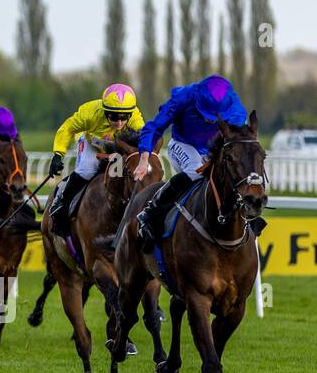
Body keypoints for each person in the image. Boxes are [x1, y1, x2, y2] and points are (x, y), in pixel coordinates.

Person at [133, 74, 254, 250]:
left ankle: (249, 220)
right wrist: (144, 158)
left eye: (214, 117)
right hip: (182, 144)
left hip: (213, 150)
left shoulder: (236, 112)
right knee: (196, 170)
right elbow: (154, 127)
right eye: (206, 115)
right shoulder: (184, 97)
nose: (210, 120)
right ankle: (151, 212)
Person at [45, 83, 145, 240]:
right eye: (113, 116)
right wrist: (58, 154)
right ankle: (61, 204)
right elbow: (67, 129)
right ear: (105, 111)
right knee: (87, 169)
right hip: (92, 143)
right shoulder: (90, 112)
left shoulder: (135, 117)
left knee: (124, 174)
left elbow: (144, 139)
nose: (119, 122)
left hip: (116, 147)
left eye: (124, 117)